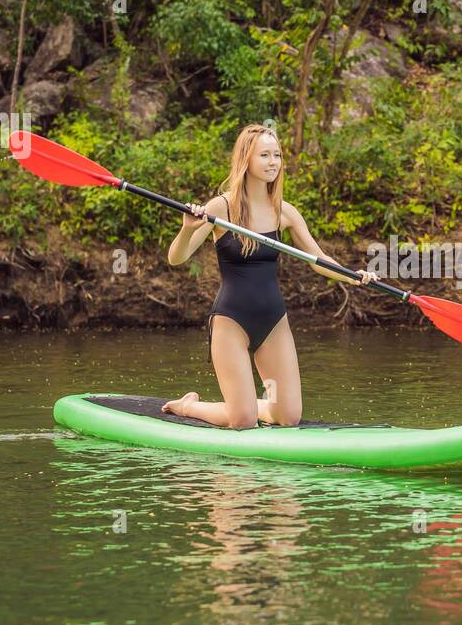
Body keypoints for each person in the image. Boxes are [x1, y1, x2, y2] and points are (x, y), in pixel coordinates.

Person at [160, 124, 379, 427]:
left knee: (288, 417)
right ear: (246, 159)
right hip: (231, 321)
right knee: (242, 420)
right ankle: (190, 407)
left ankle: (251, 403)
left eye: (276, 155)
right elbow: (177, 258)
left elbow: (318, 260)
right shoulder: (220, 208)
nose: (273, 161)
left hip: (273, 321)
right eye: (264, 155)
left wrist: (351, 275)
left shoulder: (284, 212)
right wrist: (187, 227)